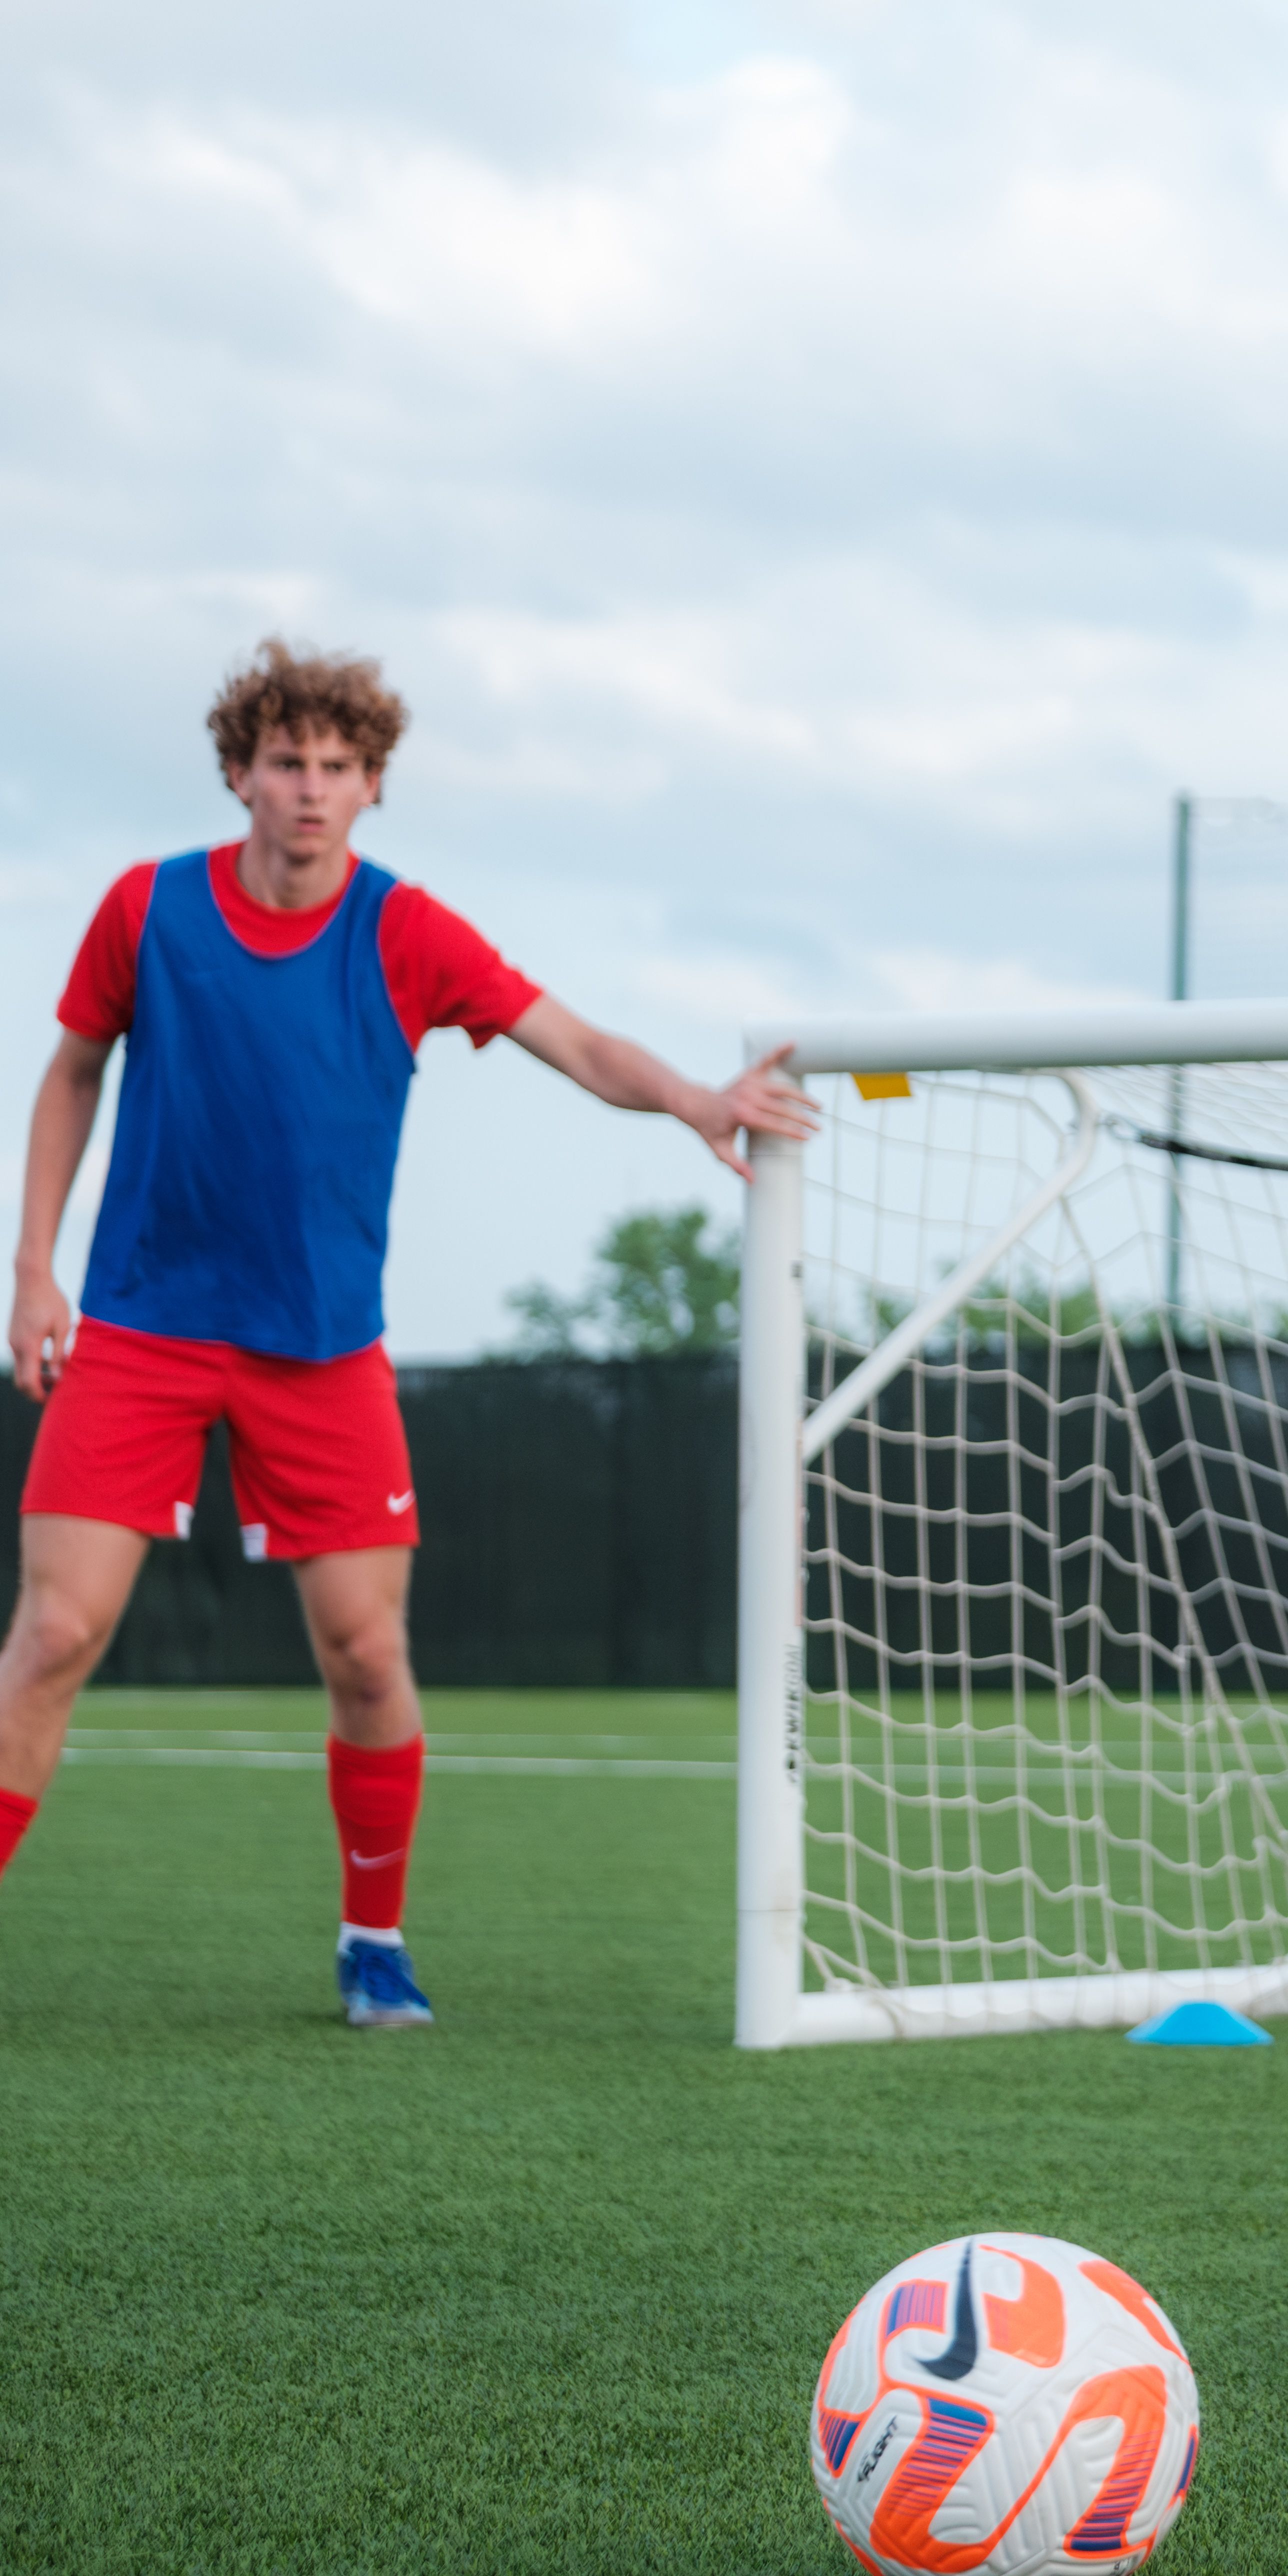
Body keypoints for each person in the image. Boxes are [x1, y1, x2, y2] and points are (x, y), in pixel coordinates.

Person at [2, 640, 817, 2026]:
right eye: (285, 764)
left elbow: (573, 1043)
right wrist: (34, 1268)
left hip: (324, 1347)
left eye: (337, 768)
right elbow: (74, 1069)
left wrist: (691, 1097)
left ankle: (373, 1942)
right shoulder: (146, 910)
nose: (310, 792)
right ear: (240, 774)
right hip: (141, 1325)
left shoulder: (407, 933)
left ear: (373, 786)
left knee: (368, 1657)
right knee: (59, 1631)